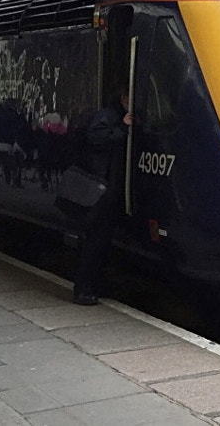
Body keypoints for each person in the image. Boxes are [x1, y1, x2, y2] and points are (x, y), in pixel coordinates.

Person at [71, 89, 133, 305]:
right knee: (94, 242)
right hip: (100, 191)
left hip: (107, 190)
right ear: (124, 98)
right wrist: (123, 127)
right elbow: (95, 137)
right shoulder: (107, 116)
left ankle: (94, 286)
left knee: (101, 242)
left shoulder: (112, 116)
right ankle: (84, 290)